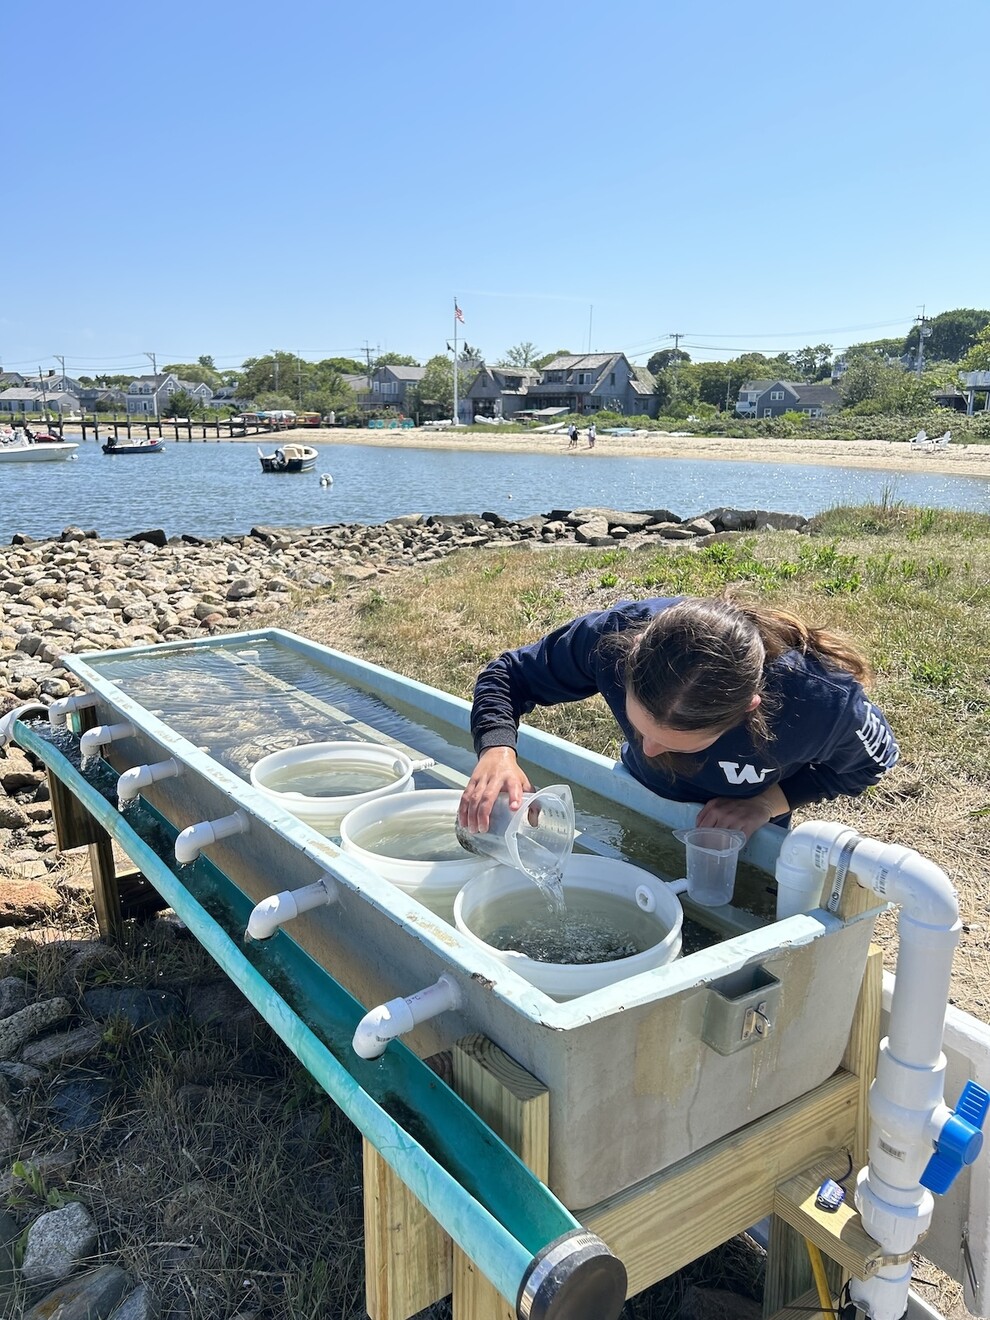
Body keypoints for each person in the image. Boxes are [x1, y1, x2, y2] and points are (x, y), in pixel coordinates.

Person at [458, 595, 898, 840]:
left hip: (741, 830)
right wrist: (497, 749)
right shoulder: (613, 637)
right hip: (641, 801)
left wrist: (764, 805)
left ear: (747, 711)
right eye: (640, 727)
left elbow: (869, 765)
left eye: (672, 742)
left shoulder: (822, 702)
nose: (647, 749)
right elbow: (509, 674)